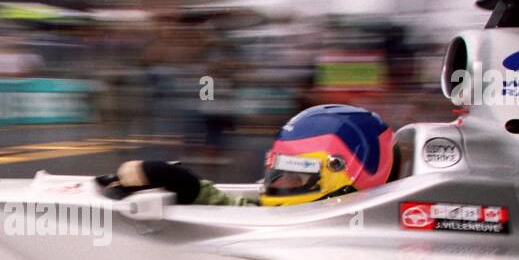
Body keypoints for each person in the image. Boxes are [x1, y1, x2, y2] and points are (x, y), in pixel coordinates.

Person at [105, 104, 394, 207]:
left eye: (297, 175)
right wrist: (184, 185)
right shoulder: (292, 211)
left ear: (347, 175)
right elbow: (247, 210)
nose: (282, 183)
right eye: (279, 172)